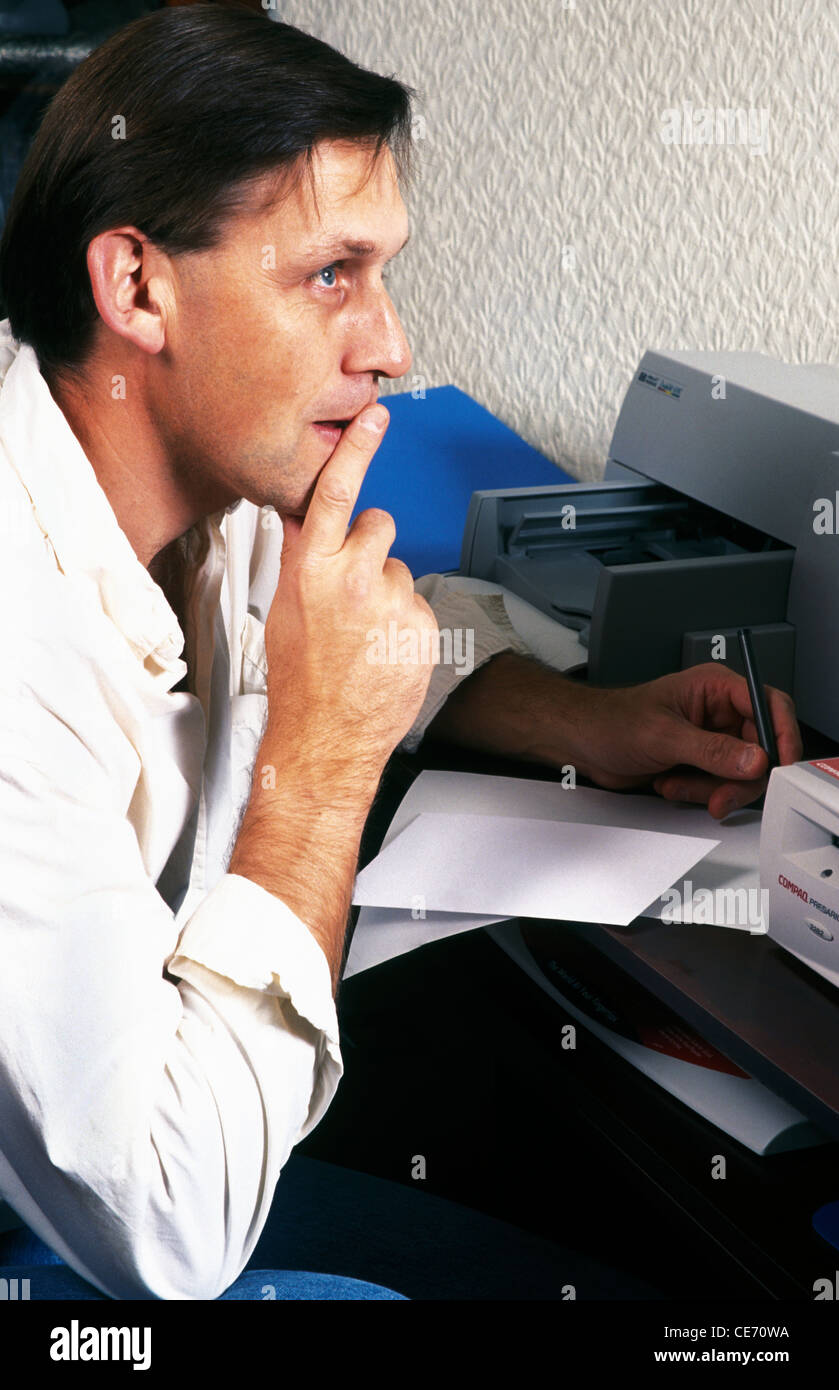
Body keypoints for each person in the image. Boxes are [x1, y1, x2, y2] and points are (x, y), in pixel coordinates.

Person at [0, 5, 801, 1301]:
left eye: (382, 276)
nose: (389, 344)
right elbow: (169, 1225)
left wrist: (592, 720)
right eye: (331, 276)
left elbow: (364, 619)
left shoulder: (222, 491)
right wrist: (318, 770)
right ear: (137, 284)